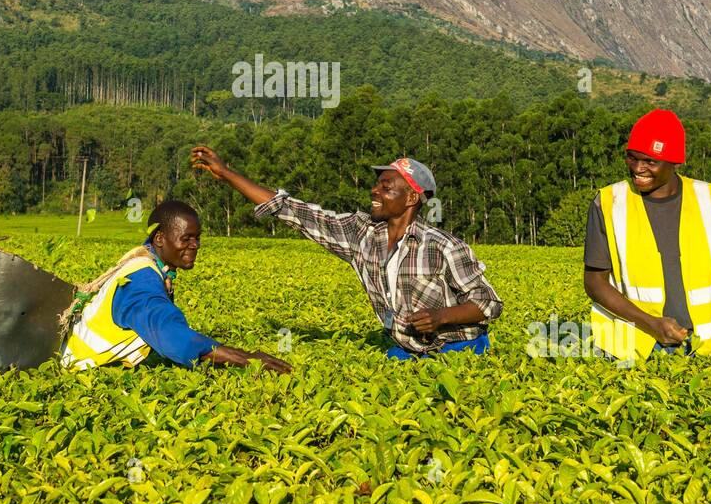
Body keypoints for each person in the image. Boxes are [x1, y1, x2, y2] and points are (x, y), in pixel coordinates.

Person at [191, 146, 500, 359]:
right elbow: (292, 210)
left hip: (460, 349)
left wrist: (441, 317)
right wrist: (226, 173)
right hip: (407, 351)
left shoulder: (444, 246)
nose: (374, 191)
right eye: (376, 185)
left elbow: (488, 303)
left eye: (386, 187)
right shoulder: (360, 234)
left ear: (411, 199)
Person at [583, 108, 711, 361]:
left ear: (675, 162)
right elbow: (594, 283)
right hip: (632, 350)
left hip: (709, 347)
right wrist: (650, 324)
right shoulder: (607, 203)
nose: (637, 168)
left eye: (649, 161)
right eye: (632, 158)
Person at [60, 199, 291, 373]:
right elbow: (171, 336)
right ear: (159, 239)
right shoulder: (141, 278)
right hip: (81, 371)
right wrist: (245, 359)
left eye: (197, 237)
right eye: (186, 238)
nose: (195, 245)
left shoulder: (149, 266)